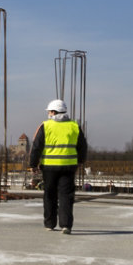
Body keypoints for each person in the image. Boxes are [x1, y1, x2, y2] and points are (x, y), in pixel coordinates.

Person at [29, 99, 88, 233]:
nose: (48, 114)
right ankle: (66, 225)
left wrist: (33, 164)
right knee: (66, 195)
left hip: (49, 167)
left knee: (50, 195)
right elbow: (83, 146)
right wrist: (80, 161)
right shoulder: (74, 126)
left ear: (53, 112)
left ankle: (50, 224)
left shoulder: (45, 126)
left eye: (49, 111)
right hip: (69, 166)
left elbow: (36, 147)